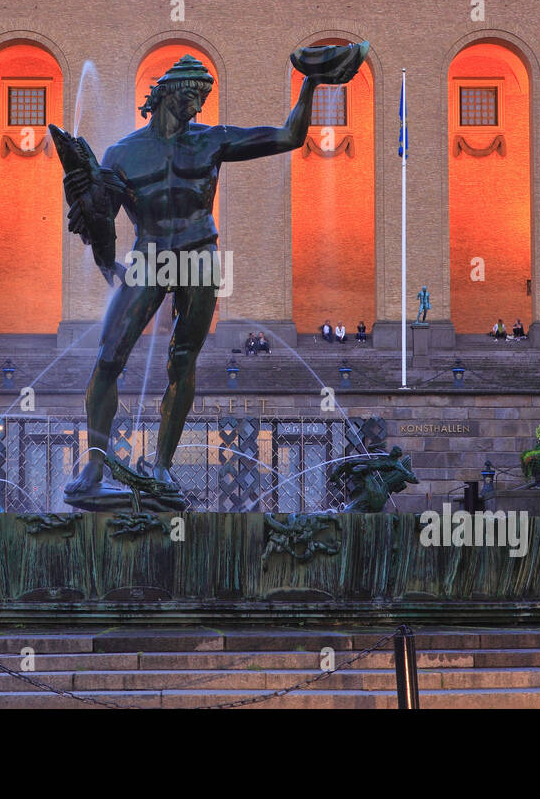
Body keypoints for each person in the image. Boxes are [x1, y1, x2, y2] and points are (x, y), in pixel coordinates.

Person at [54, 51, 354, 511]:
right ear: (168, 92)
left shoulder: (212, 141)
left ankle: (162, 466)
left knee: (181, 362)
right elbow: (102, 223)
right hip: (150, 256)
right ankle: (95, 465)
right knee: (108, 356)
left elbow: (289, 136)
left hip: (198, 255)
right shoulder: (122, 154)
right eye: (194, 94)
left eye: (204, 97)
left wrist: (311, 84)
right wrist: (91, 226)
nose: (198, 105)